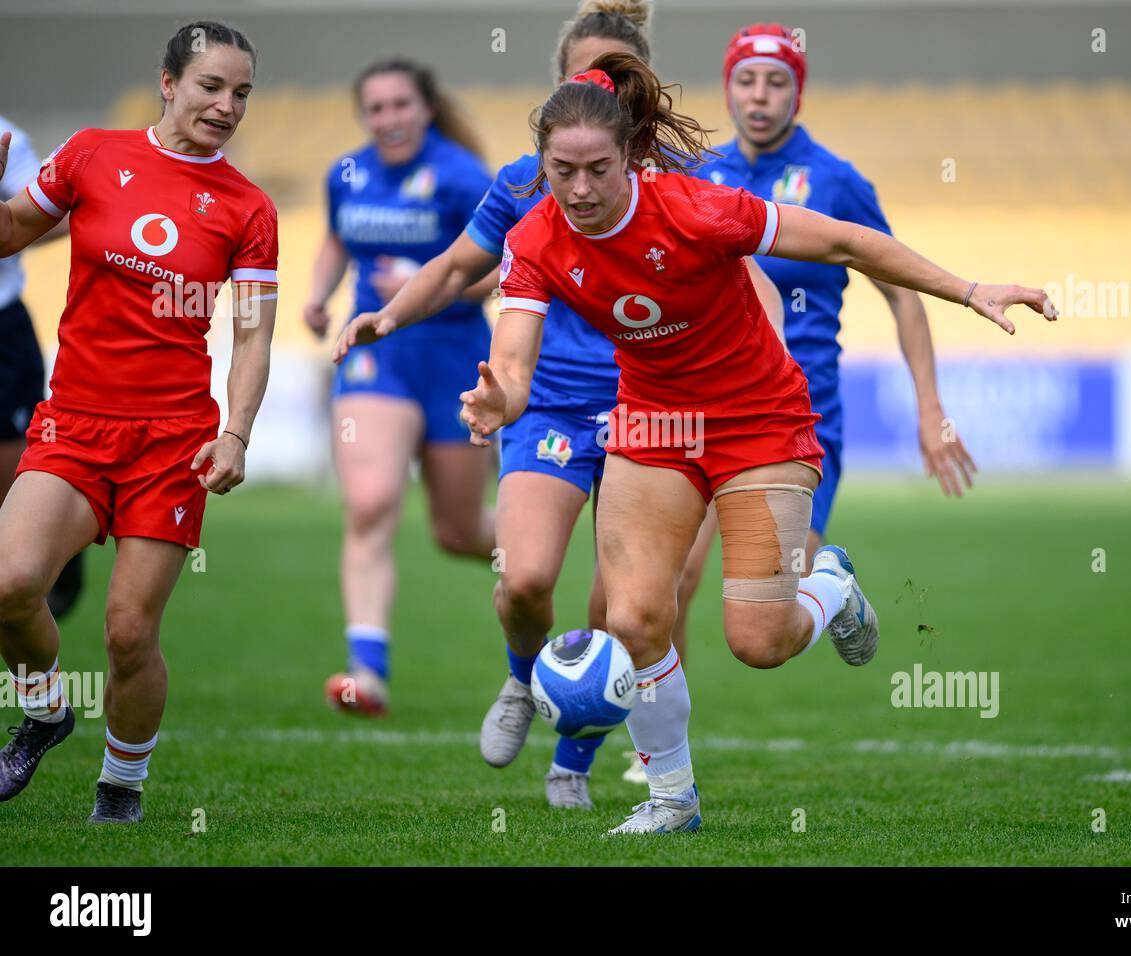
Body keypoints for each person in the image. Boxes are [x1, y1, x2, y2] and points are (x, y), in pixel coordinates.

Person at [455, 52, 1055, 833]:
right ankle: (672, 799)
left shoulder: (700, 209)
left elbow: (847, 243)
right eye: (561, 169)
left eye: (597, 169)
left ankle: (831, 584)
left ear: (631, 156)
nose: (578, 189)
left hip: (760, 422)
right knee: (636, 620)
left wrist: (970, 290)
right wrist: (502, 398)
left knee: (759, 641)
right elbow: (514, 362)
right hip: (653, 425)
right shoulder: (535, 238)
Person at [336, 0, 783, 810]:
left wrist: (756, 386)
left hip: (652, 410)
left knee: (630, 603)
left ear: (634, 90)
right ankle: (519, 682)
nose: (599, 84)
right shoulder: (530, 181)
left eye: (614, 73)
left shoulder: (682, 188)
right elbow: (456, 264)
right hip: (548, 404)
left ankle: (578, 759)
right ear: (562, 85)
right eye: (586, 72)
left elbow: (757, 286)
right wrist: (390, 315)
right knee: (525, 579)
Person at [0, 20, 278, 823]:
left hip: (172, 443)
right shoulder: (92, 154)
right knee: (11, 585)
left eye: (242, 93)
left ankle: (121, 786)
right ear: (168, 82)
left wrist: (236, 433)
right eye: (211, 87)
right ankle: (49, 710)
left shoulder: (248, 209)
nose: (227, 106)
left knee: (128, 632)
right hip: (74, 422)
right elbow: (14, 231)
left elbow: (255, 332)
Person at [305, 58, 497, 716]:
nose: (388, 118)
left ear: (426, 107)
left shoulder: (463, 176)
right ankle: (368, 670)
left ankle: (537, 547)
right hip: (374, 356)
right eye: (376, 107)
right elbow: (337, 236)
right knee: (370, 499)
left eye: (400, 105)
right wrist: (316, 295)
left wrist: (422, 292)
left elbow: (499, 273)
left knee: (460, 531)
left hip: (455, 359)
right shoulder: (347, 173)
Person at [0, 117, 82, 620]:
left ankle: (52, 570)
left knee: (10, 492)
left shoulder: (4, 135)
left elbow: (60, 216)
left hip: (1, 327)